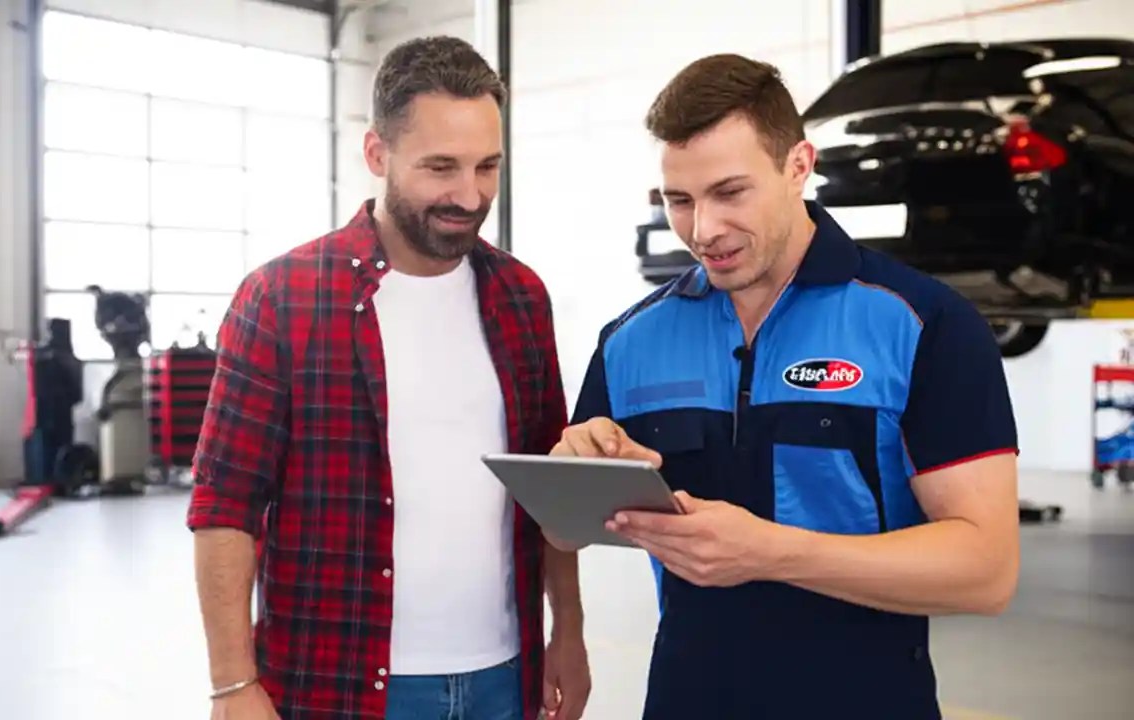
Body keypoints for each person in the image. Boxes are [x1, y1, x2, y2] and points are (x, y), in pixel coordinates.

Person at [551, 53, 1020, 720]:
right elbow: (570, 531)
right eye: (679, 201)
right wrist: (579, 471)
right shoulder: (630, 342)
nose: (702, 231)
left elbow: (987, 570)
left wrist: (769, 552)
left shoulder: (923, 325)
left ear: (799, 165)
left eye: (730, 192)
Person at [187, 36, 591, 720]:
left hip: (504, 675)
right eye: (441, 168)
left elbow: (549, 485)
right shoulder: (282, 299)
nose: (470, 194)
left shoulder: (521, 297)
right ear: (378, 154)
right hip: (337, 678)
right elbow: (225, 503)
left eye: (487, 166)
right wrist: (233, 683)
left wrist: (569, 633)